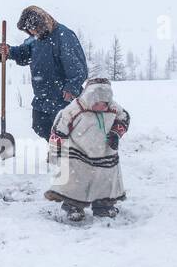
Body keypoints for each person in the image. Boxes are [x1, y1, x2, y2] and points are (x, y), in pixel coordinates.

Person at [0, 5, 89, 139]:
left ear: (41, 23)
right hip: (42, 97)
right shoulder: (35, 39)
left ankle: (68, 154)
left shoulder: (64, 36)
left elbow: (78, 68)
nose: (31, 32)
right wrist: (9, 52)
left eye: (32, 28)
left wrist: (72, 87)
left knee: (64, 131)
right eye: (28, 30)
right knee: (40, 125)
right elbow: (23, 53)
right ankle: (56, 149)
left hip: (62, 97)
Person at [44, 77, 130, 221]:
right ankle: (72, 205)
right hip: (78, 152)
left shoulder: (113, 108)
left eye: (105, 104)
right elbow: (59, 130)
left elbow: (124, 118)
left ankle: (103, 205)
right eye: (98, 104)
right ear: (90, 98)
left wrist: (116, 133)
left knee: (105, 179)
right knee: (75, 181)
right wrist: (54, 151)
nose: (102, 107)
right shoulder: (75, 109)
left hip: (104, 152)